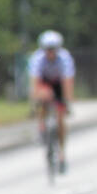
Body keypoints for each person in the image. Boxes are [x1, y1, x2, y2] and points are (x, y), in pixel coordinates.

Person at [28, 30, 75, 173]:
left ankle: (61, 154)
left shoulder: (65, 58)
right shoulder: (37, 58)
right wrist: (34, 103)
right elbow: (34, 83)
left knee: (60, 120)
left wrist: (67, 102)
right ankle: (41, 127)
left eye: (53, 50)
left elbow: (68, 82)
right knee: (43, 96)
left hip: (59, 83)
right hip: (45, 83)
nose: (50, 53)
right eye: (47, 50)